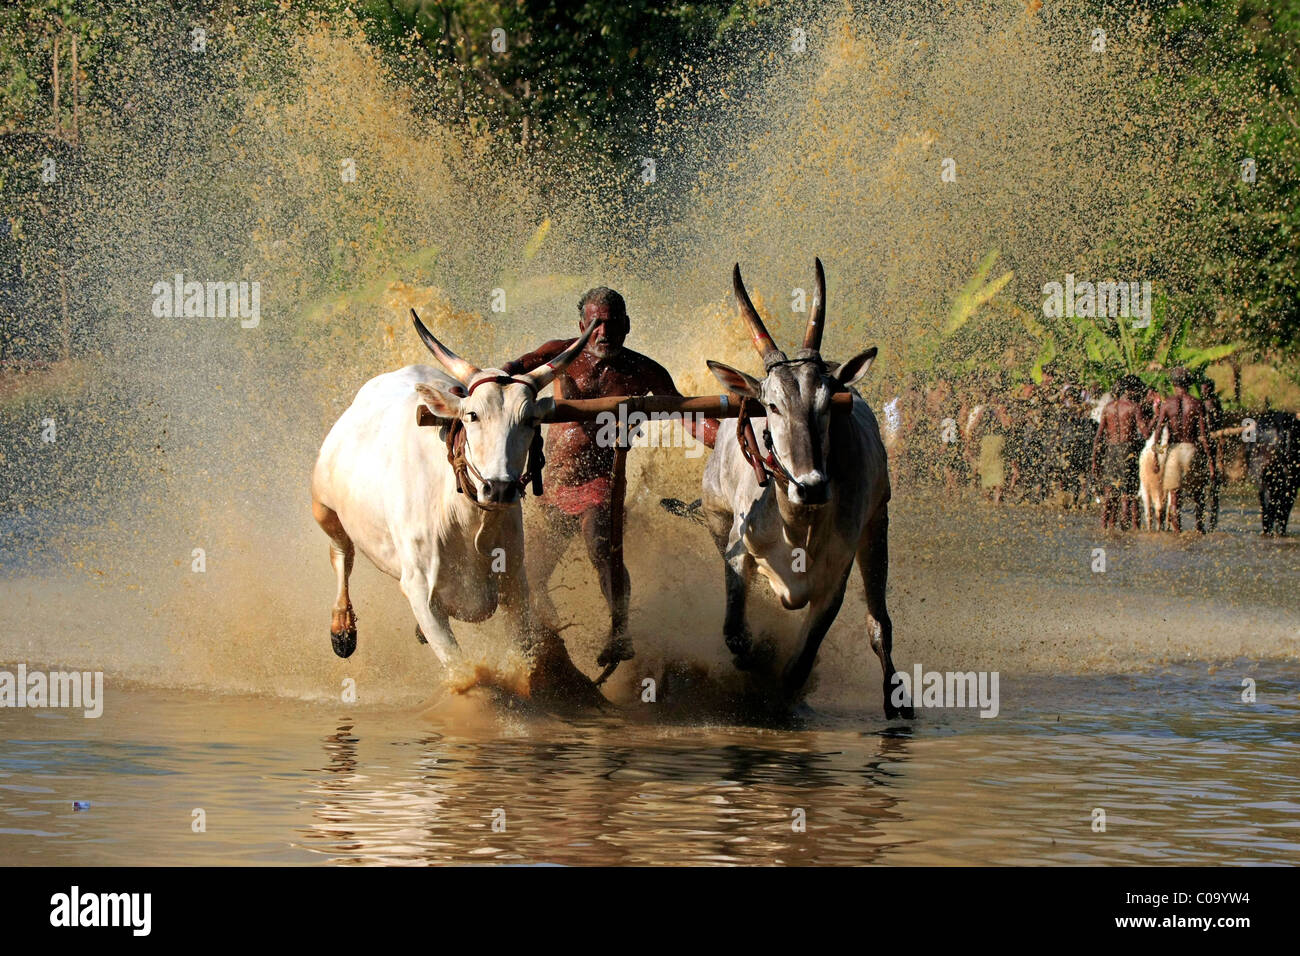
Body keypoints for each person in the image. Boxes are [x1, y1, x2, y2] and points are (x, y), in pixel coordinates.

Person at [502, 287, 717, 671]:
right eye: (596, 324)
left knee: (601, 548)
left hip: (601, 483)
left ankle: (620, 632)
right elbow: (509, 371)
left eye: (613, 324)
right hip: (551, 484)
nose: (604, 332)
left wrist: (732, 446)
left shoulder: (643, 371)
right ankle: (547, 636)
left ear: (628, 327)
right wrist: (477, 391)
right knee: (528, 571)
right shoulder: (558, 353)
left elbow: (686, 414)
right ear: (581, 325)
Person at [1149, 366, 1216, 533]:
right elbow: (1204, 435)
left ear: (1173, 383)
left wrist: (1156, 459)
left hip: (1173, 453)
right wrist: (1211, 462)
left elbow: (1157, 433)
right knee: (1198, 495)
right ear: (1189, 383)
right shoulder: (1196, 403)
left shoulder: (1167, 404)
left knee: (1175, 498)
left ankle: (1177, 534)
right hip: (1191, 450)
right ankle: (1200, 530)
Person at [1090, 375, 1149, 530]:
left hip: (1111, 452)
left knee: (1110, 494)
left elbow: (1098, 437)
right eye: (1136, 390)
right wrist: (1156, 416)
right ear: (1130, 390)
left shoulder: (1108, 407)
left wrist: (1095, 461)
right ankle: (1133, 530)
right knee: (1130, 495)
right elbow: (1146, 433)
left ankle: (1106, 528)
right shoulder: (1133, 407)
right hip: (1127, 451)